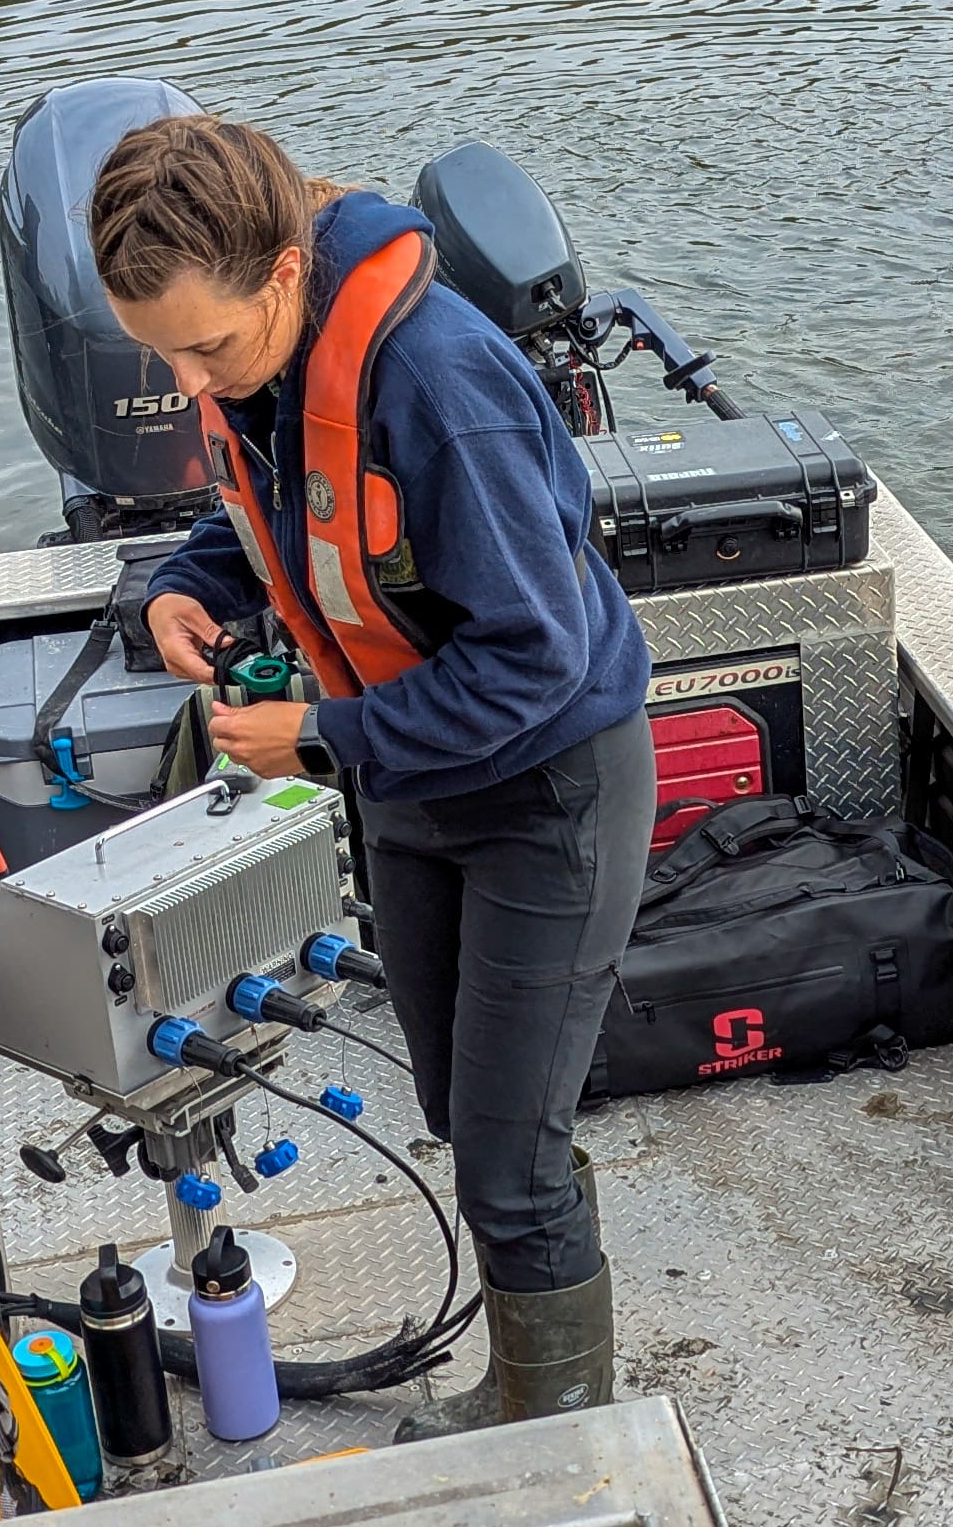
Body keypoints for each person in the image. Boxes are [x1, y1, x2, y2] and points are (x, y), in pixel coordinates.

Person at [95, 112, 655, 1437]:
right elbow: (276, 506)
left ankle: (556, 1427)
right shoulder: (266, 363)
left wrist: (322, 739)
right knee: (464, 1110)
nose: (186, 378)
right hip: (416, 791)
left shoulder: (443, 389)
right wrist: (184, 581)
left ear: (285, 273)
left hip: (547, 797)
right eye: (159, 352)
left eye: (204, 348)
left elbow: (533, 657)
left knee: (511, 1166)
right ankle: (532, 1377)